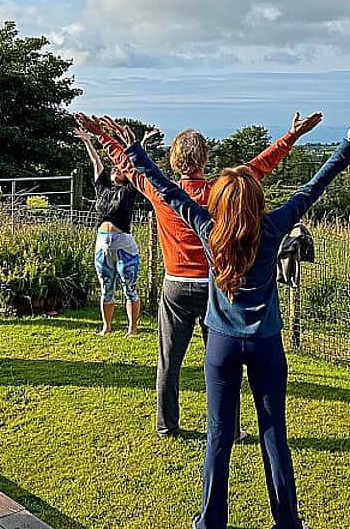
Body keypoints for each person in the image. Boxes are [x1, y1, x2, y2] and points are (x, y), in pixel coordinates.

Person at [104, 108, 350, 529]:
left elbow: (166, 190)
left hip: (221, 346)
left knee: (218, 437)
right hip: (266, 345)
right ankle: (287, 522)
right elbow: (312, 189)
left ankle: (210, 522)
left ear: (219, 202)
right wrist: (346, 145)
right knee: (274, 435)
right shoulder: (271, 228)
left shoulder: (207, 226)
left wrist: (134, 151)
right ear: (256, 199)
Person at [77, 111, 321, 440]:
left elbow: (129, 166)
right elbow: (260, 166)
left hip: (175, 286)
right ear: (205, 159)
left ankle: (167, 425)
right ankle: (229, 429)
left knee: (169, 361)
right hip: (214, 289)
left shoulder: (162, 190)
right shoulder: (222, 191)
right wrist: (290, 136)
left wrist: (105, 138)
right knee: (224, 366)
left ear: (175, 161)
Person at [75, 125, 143, 336]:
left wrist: (138, 145)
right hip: (101, 244)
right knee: (106, 288)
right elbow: (96, 162)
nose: (116, 169)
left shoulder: (130, 190)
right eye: (114, 168)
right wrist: (87, 140)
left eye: (120, 168)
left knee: (129, 287)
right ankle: (107, 326)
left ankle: (132, 329)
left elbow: (136, 166)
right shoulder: (103, 188)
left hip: (124, 244)